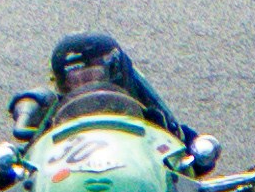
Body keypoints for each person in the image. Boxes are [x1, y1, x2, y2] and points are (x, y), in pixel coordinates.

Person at [40, 32, 196, 143]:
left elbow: (189, 152)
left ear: (115, 75)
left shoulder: (152, 117)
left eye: (94, 75)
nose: (85, 85)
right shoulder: (51, 122)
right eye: (75, 79)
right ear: (63, 83)